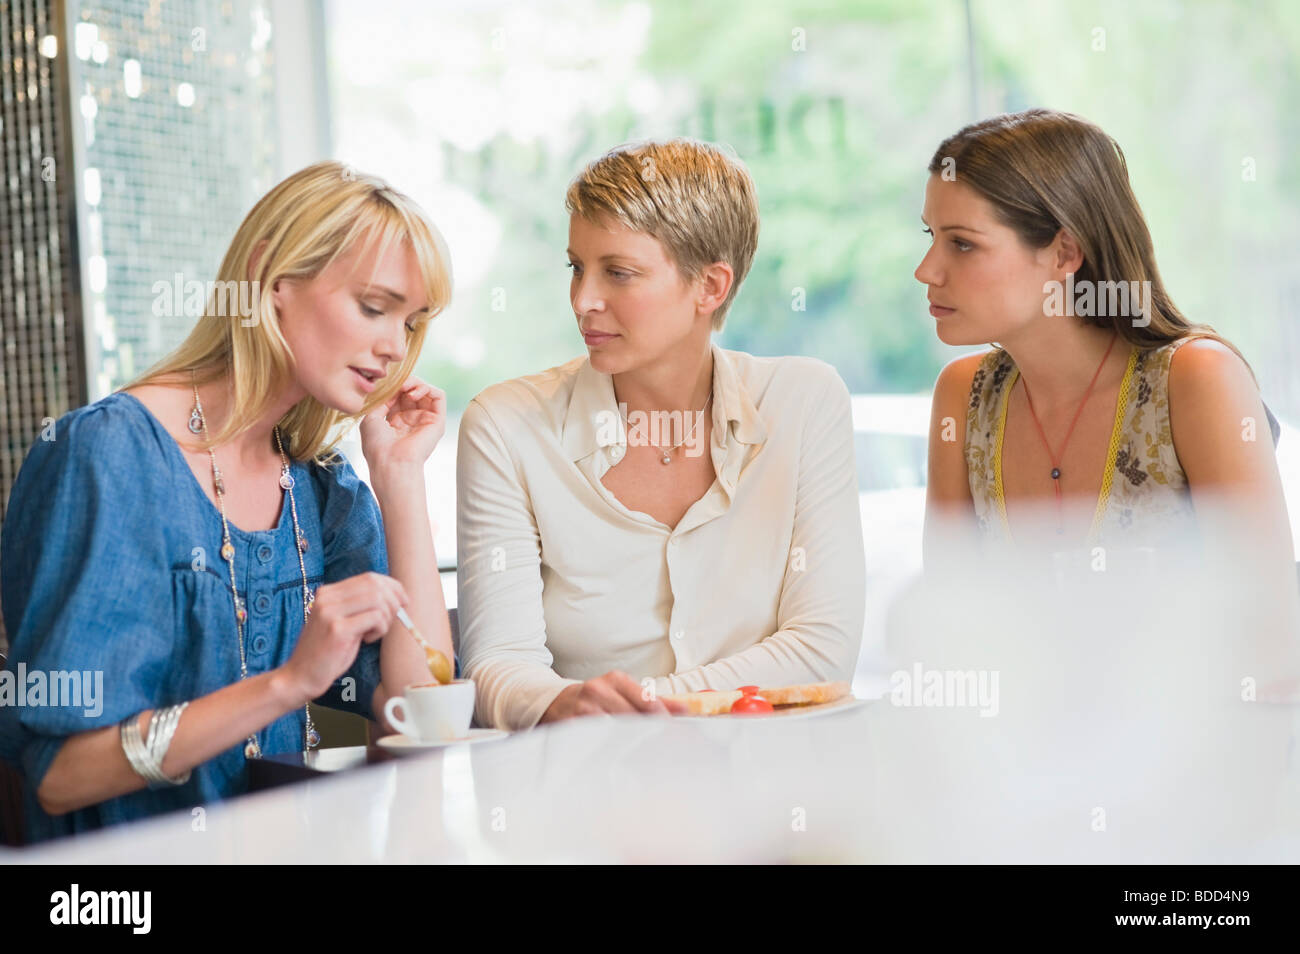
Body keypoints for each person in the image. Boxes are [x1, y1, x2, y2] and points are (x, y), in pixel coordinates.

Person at [0, 160, 454, 841]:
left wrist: (401, 479)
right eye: (373, 306)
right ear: (275, 281)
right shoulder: (107, 457)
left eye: (412, 322)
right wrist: (288, 683)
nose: (395, 348)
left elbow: (420, 716)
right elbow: (62, 777)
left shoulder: (319, 489)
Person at [456, 138, 866, 731]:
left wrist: (623, 707)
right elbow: (498, 665)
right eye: (576, 267)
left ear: (711, 287)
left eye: (618, 273)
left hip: (778, 791)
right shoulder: (506, 425)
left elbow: (821, 652)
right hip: (592, 793)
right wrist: (561, 705)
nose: (582, 299)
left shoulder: (803, 403)